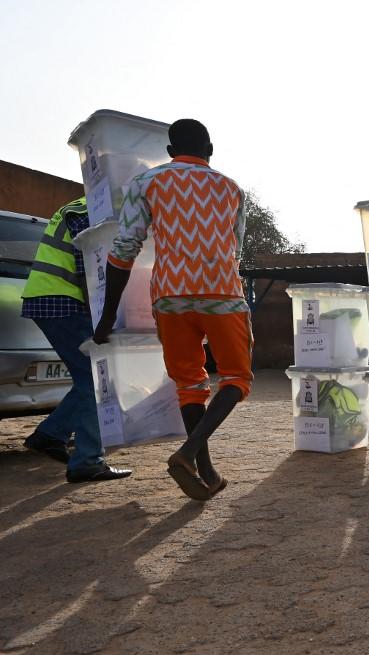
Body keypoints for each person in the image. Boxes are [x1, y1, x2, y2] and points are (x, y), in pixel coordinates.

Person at [93, 119, 252, 501]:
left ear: (169, 152)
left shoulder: (147, 183)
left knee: (190, 384)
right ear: (209, 150)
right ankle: (187, 452)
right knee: (236, 379)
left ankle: (207, 472)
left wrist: (107, 316)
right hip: (222, 295)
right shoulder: (232, 190)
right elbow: (236, 253)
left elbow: (124, 249)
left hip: (170, 296)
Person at [20, 197, 132, 482]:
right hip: (62, 300)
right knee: (97, 377)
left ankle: (51, 434)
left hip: (51, 297)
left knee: (88, 376)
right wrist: (105, 319)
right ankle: (87, 460)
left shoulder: (84, 205)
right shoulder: (92, 211)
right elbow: (91, 272)